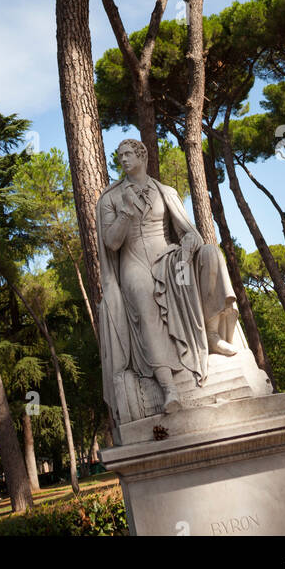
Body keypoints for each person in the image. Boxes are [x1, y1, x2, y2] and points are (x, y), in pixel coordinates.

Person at [97, 137, 240, 419]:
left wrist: (187, 249)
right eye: (120, 156)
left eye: (128, 154)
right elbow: (111, 243)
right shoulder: (111, 198)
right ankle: (168, 387)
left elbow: (190, 232)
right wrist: (126, 210)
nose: (123, 160)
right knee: (143, 294)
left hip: (171, 262)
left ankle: (211, 336)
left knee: (211, 253)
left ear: (142, 155)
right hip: (134, 263)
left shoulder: (165, 191)